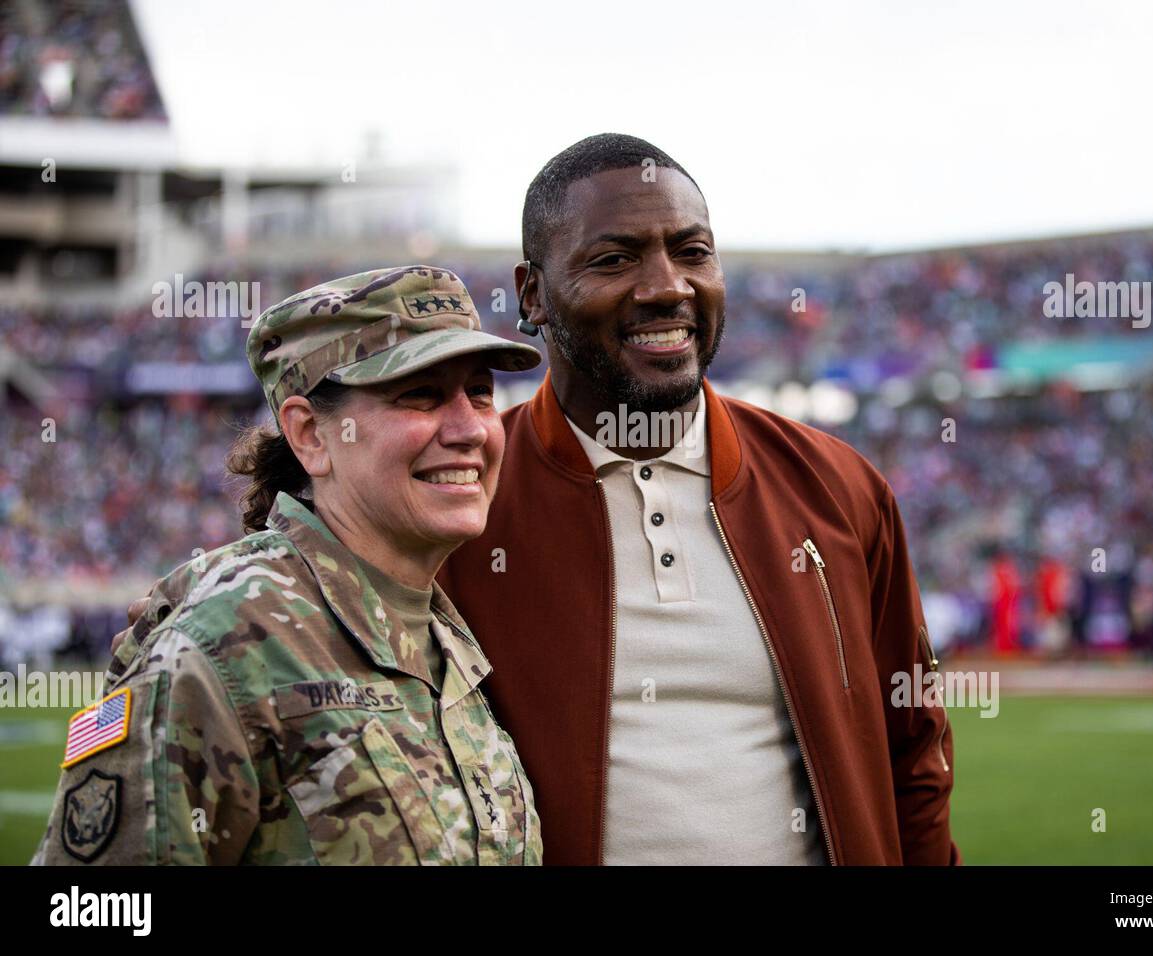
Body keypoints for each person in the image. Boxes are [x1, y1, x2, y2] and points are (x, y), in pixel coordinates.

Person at [120, 134, 959, 865]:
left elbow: (914, 755)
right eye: (615, 257)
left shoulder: (839, 489)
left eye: (692, 250)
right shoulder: (451, 518)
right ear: (532, 295)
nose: (666, 286)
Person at [35, 265, 543, 865]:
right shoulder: (220, 647)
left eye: (479, 392)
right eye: (420, 395)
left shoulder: (440, 632)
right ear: (309, 436)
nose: (470, 428)